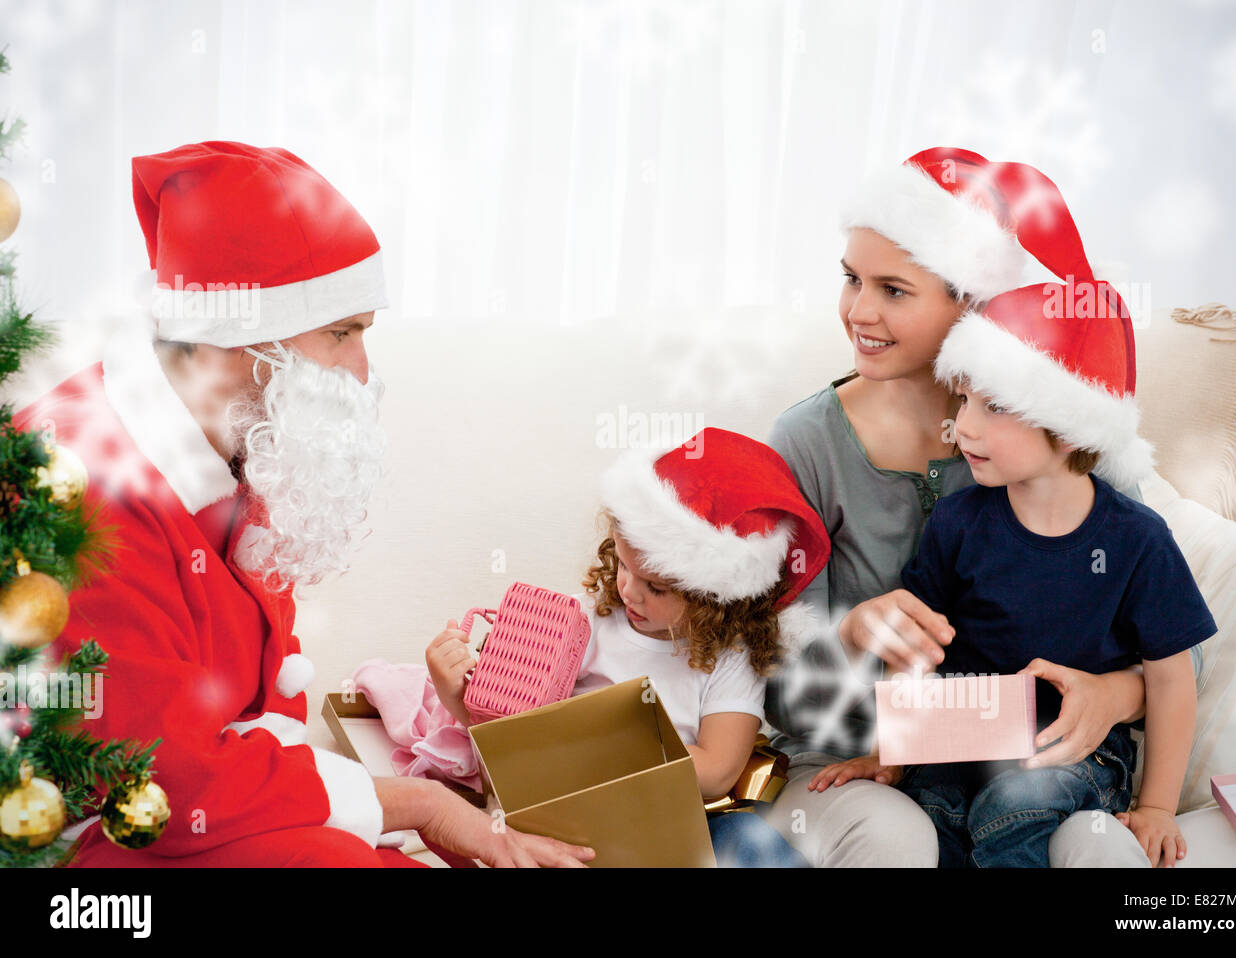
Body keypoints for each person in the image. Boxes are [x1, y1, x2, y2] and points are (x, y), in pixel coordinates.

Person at [17, 141, 592, 867]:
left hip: (220, 810)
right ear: (229, 340)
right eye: (341, 333)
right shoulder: (78, 486)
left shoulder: (246, 436)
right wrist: (421, 802)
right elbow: (156, 787)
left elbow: (251, 724)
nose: (362, 372)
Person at [763, 147, 1201, 867]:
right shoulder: (806, 442)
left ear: (967, 301)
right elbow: (776, 696)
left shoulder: (1049, 423)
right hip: (864, 759)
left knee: (1085, 844)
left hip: (1035, 758)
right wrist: (848, 639)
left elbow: (1178, 656)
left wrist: (1111, 697)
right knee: (903, 839)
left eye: (894, 290)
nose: (859, 311)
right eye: (850, 279)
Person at [424, 428, 831, 866]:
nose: (628, 592)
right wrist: (455, 696)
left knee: (749, 840)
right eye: (622, 563)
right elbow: (508, 737)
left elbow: (717, 772)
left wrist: (599, 746)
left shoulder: (731, 656)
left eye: (655, 587)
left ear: (713, 600)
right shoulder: (582, 621)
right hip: (570, 816)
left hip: (674, 820)